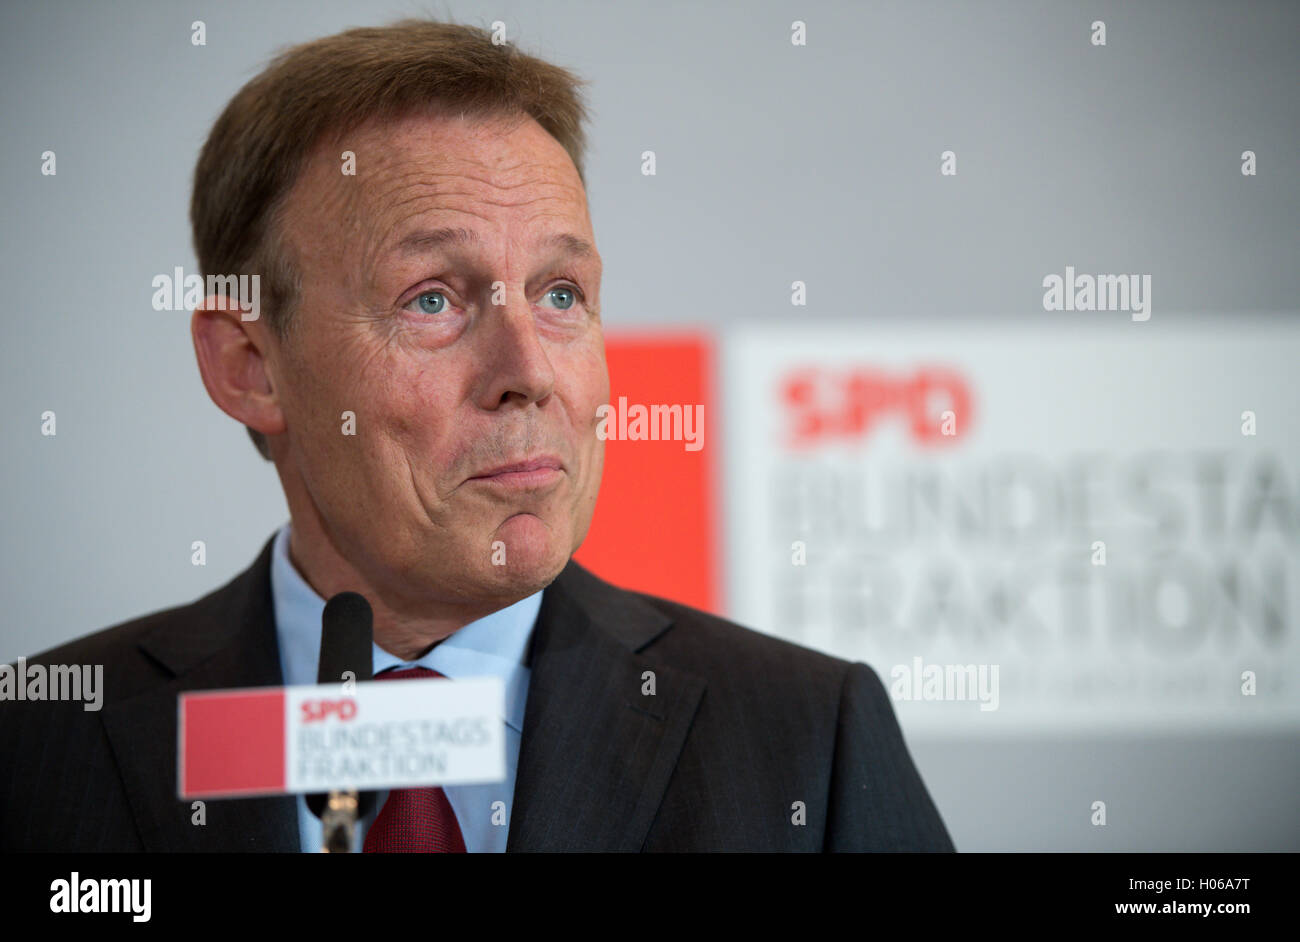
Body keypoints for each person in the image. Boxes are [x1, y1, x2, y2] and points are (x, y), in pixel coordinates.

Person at [0, 18, 954, 852]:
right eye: (432, 300)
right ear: (250, 367)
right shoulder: (42, 744)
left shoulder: (806, 741)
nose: (529, 373)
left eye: (560, 294)